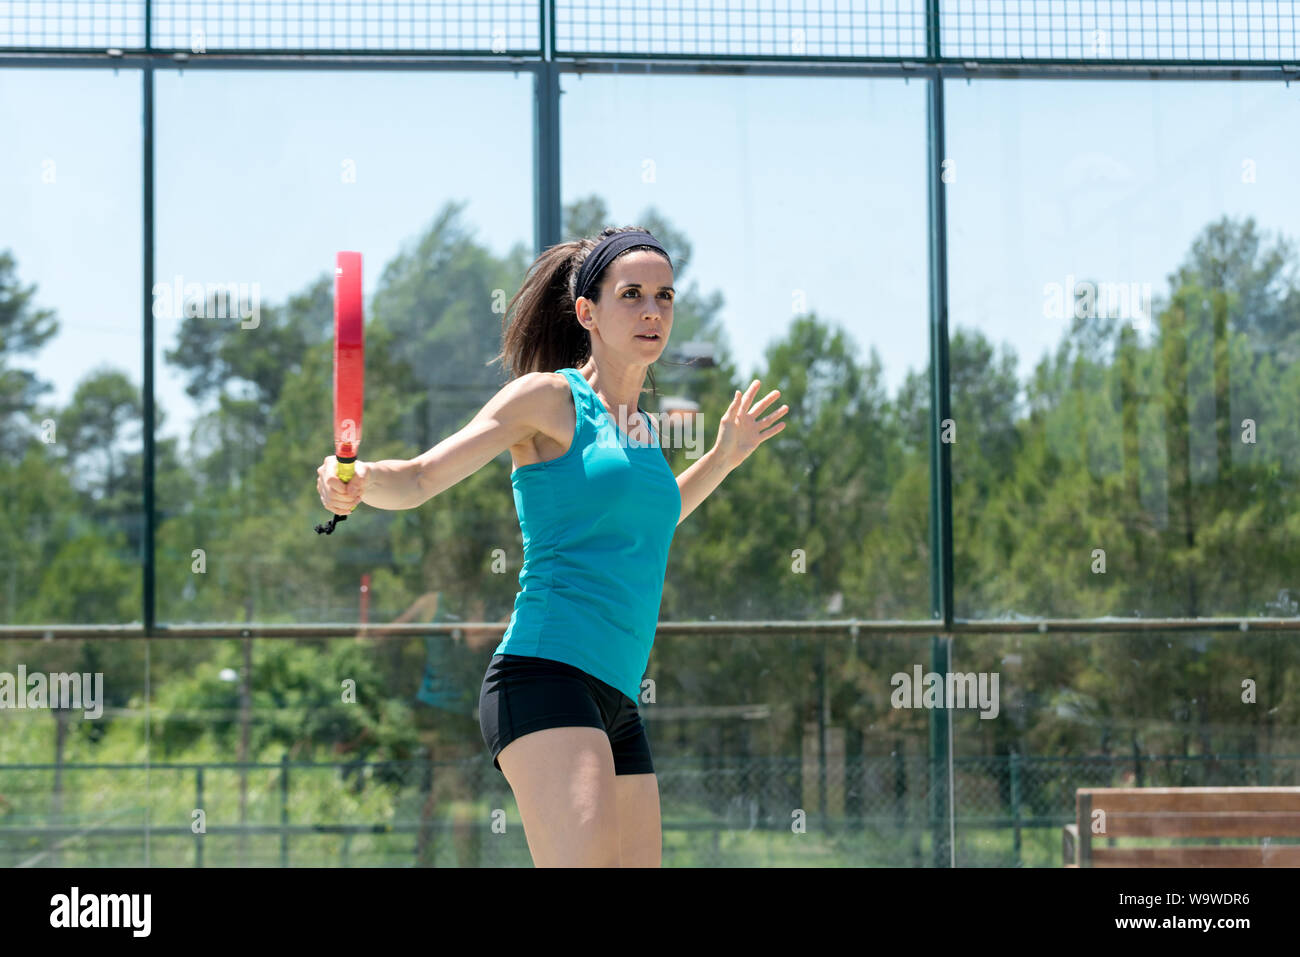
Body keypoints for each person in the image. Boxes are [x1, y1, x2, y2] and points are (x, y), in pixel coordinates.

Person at [317, 226, 788, 866]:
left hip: (617, 696)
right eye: (632, 295)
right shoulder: (548, 400)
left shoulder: (644, 430)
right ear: (587, 312)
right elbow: (424, 476)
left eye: (665, 296)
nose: (653, 311)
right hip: (544, 675)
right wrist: (364, 481)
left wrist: (724, 459)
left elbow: (657, 521)